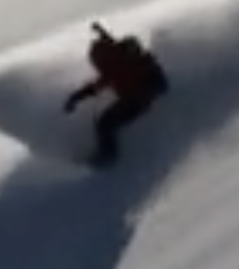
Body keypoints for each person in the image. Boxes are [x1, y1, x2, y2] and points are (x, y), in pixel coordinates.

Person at [62, 20, 170, 166]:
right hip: (140, 96)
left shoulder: (114, 65)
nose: (97, 66)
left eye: (97, 62)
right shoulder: (118, 56)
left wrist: (75, 98)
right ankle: (107, 153)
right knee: (104, 121)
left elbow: (95, 87)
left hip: (138, 100)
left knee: (104, 123)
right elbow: (98, 84)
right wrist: (101, 32)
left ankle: (109, 156)